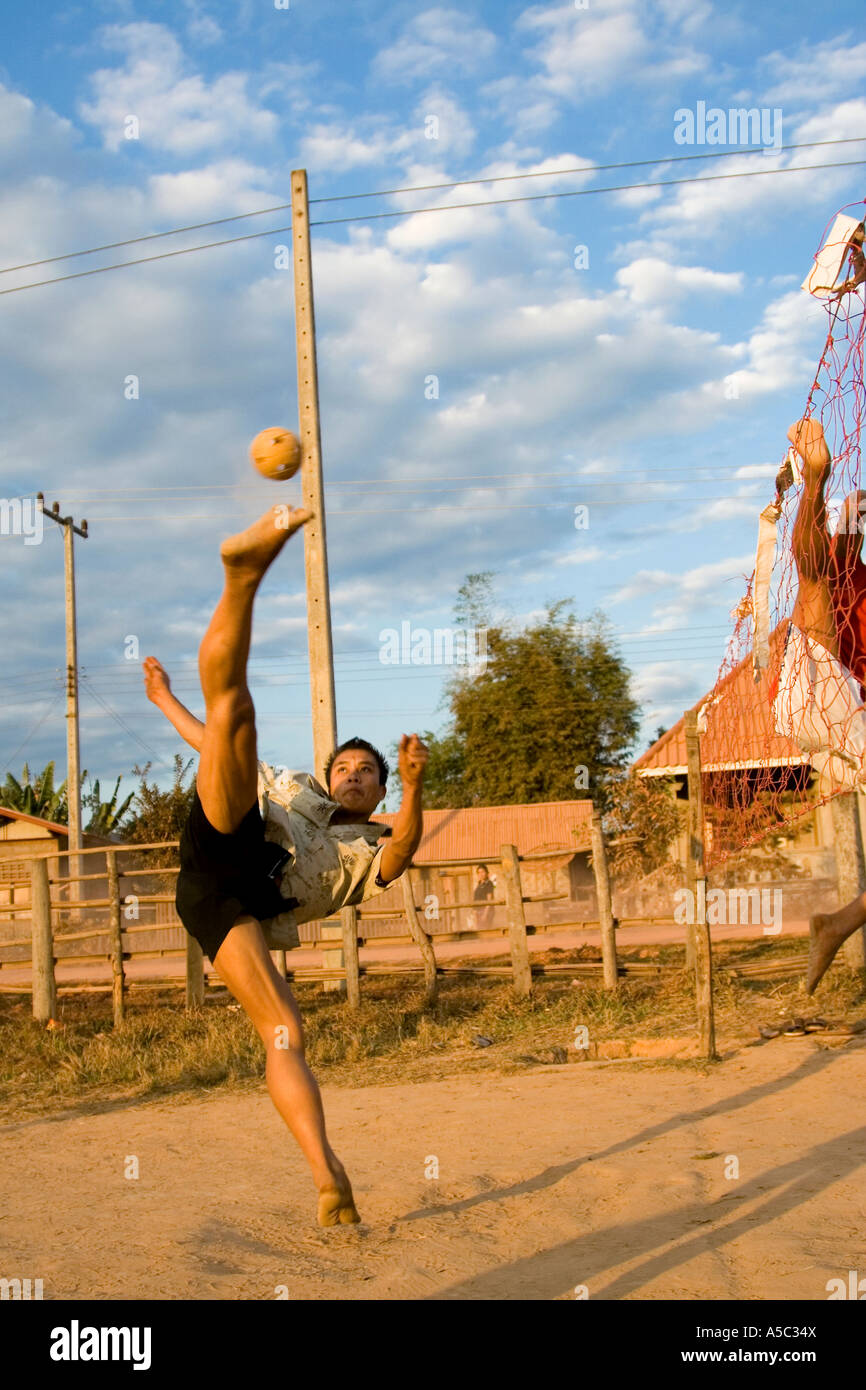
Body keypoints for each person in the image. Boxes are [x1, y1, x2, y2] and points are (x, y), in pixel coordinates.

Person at [143, 504, 428, 1224]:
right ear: (329, 776)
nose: (354, 774)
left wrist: (419, 787)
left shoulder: (372, 846)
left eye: (368, 770)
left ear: (382, 788)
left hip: (237, 906)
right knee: (234, 716)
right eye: (345, 765)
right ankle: (242, 576)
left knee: (285, 1035)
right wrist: (165, 699)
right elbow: (215, 744)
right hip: (229, 838)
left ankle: (327, 1173)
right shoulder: (295, 789)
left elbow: (403, 853)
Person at [774, 418, 866, 991]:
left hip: (844, 727)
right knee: (815, 584)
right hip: (817, 694)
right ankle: (836, 925)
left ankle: (836, 924)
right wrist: (815, 479)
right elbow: (810, 555)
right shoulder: (837, 564)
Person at [472, 863, 495, 931]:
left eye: (483, 872)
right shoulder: (479, 885)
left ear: (487, 873)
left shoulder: (489, 884)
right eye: (479, 872)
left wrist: (485, 914)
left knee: (486, 931)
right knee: (479, 932)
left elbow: (489, 900)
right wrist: (475, 914)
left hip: (485, 912)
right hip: (478, 913)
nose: (481, 874)